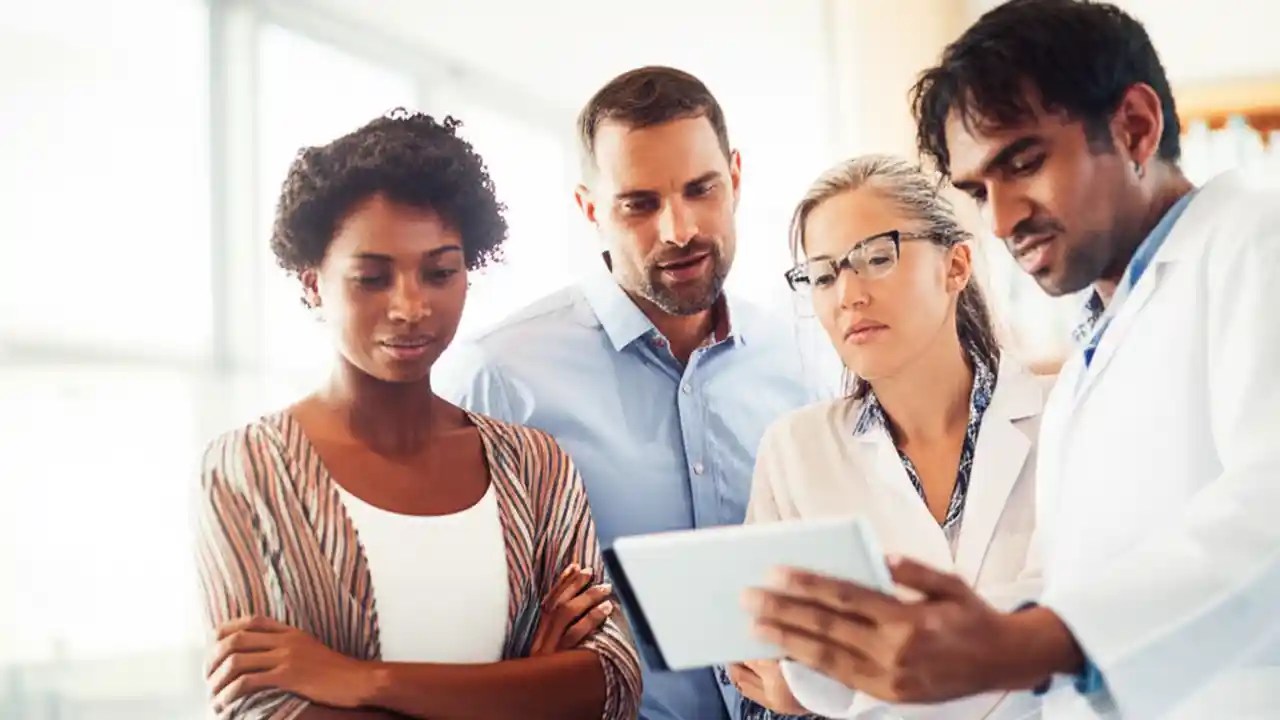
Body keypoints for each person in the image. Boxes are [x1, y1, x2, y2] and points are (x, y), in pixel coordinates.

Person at [743, 1, 1280, 718]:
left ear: (1135, 128)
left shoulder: (1256, 243)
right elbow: (1068, 583)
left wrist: (1025, 643)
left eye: (1023, 163)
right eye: (976, 191)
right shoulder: (1099, 340)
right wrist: (888, 648)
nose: (1000, 221)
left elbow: (1267, 513)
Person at [194, 110, 640, 720]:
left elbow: (609, 681)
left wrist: (361, 680)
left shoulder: (534, 465)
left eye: (439, 272)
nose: (410, 306)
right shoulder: (245, 469)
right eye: (372, 278)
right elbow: (266, 706)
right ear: (313, 286)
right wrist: (523, 688)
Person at [434, 66, 817, 720]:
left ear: (738, 179)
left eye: (703, 189)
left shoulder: (807, 356)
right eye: (639, 203)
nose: (678, 229)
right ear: (590, 209)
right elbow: (447, 620)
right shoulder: (496, 378)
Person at [725, 155, 1049, 720]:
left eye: (876, 257)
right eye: (823, 275)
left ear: (956, 266)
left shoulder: (1062, 416)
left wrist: (824, 693)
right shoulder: (795, 451)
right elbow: (764, 676)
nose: (847, 293)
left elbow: (1070, 632)